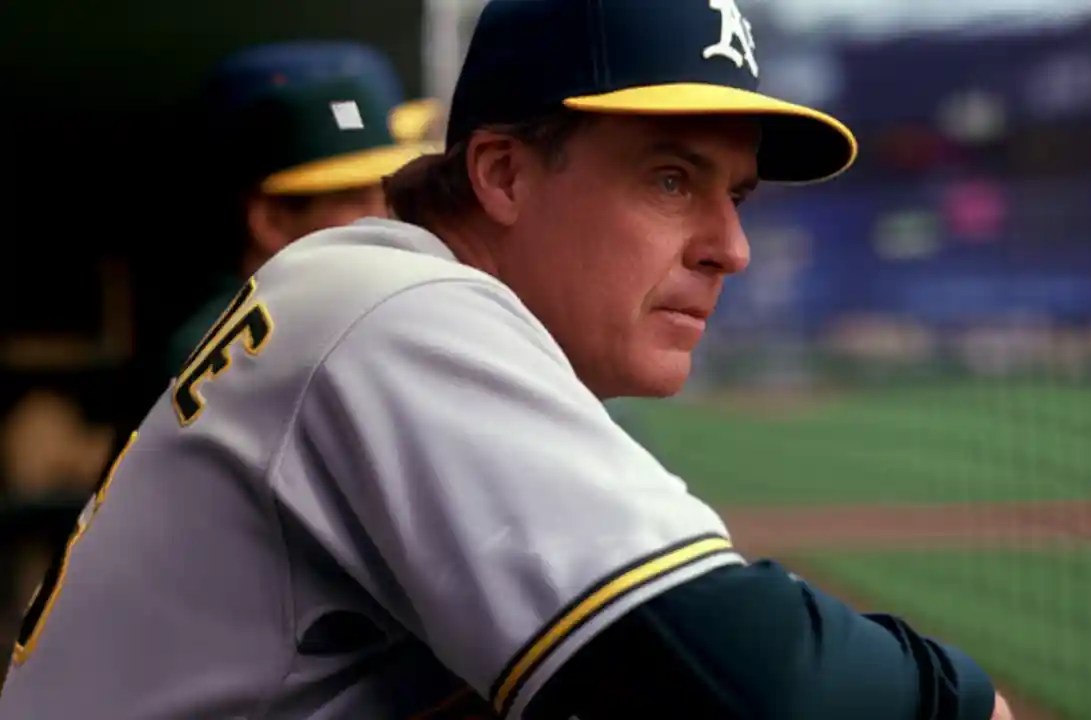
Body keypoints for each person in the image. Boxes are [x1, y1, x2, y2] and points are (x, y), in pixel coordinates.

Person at [0, 1, 1012, 719]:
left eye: (734, 197)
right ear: (500, 173)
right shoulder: (396, 306)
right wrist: (968, 701)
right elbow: (755, 683)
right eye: (670, 180)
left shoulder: (361, 294)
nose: (728, 247)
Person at [162, 42, 442, 380]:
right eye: (353, 199)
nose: (385, 219)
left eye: (387, 191)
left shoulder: (352, 315)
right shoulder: (227, 354)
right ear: (269, 221)